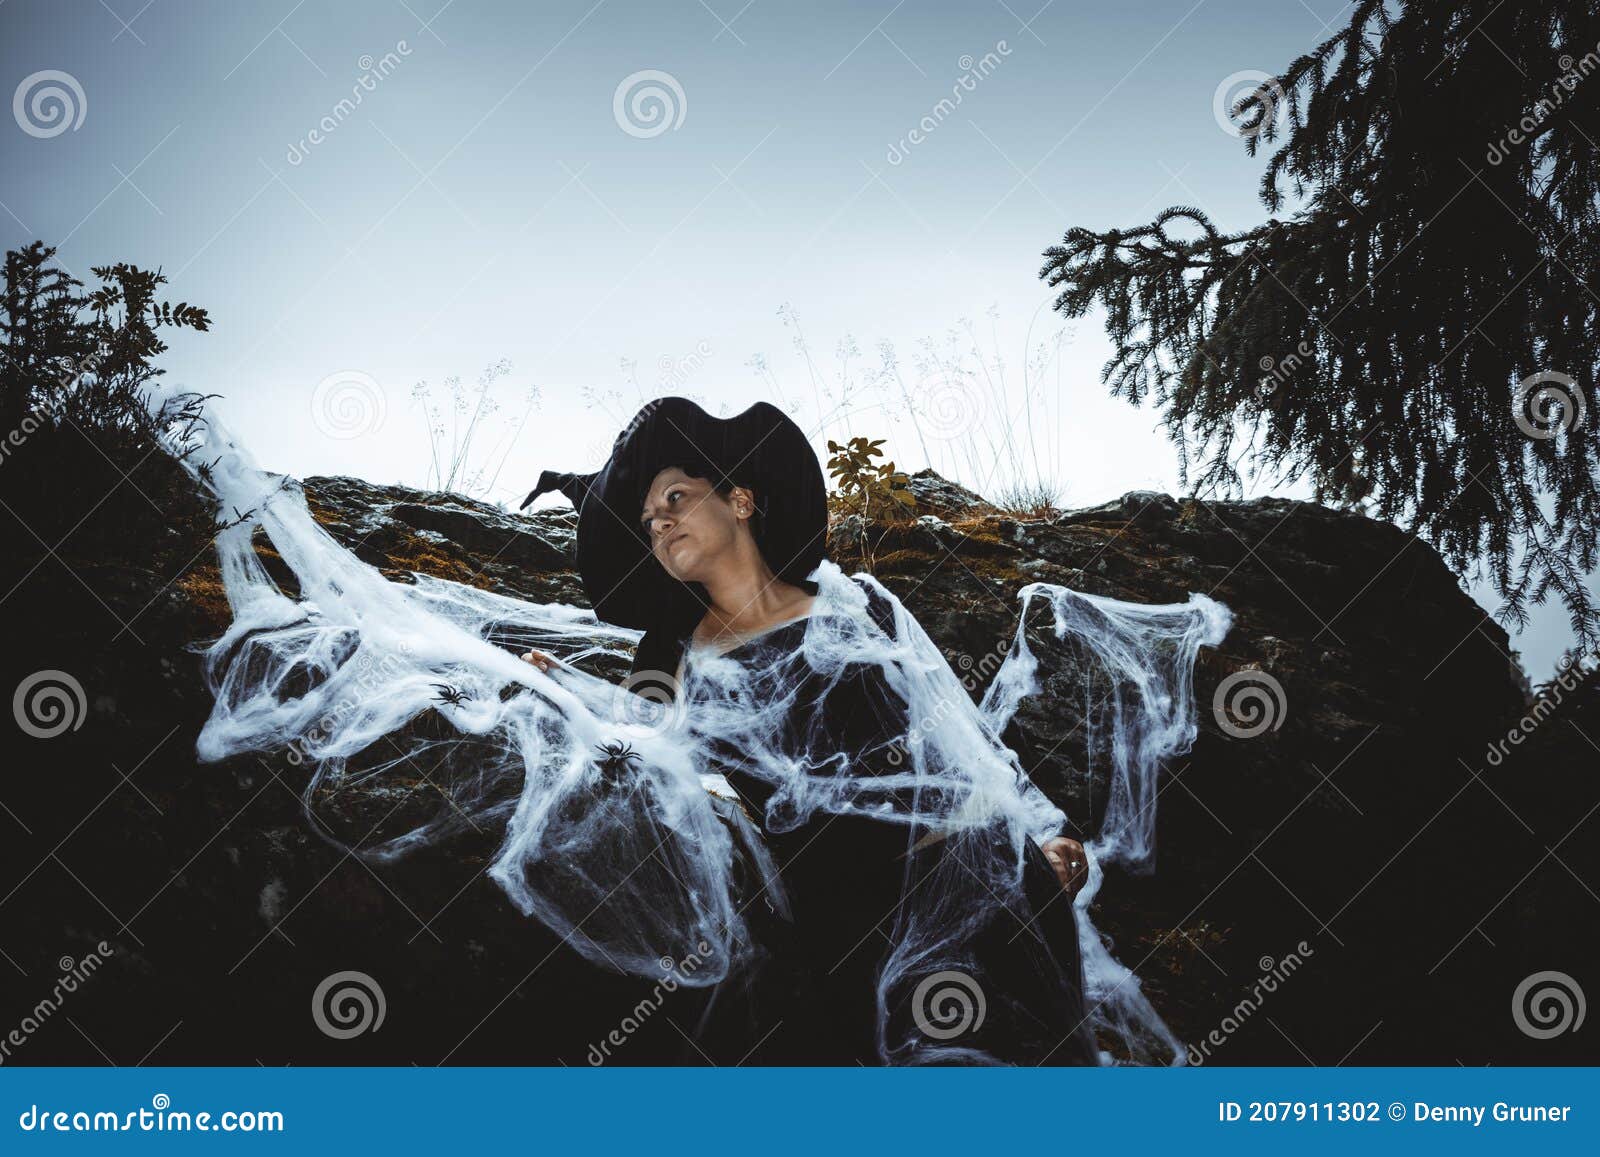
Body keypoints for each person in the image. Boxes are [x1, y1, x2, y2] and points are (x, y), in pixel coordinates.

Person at [520, 398, 1101, 1065]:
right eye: (651, 522)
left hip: (990, 880)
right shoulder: (675, 658)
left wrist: (1045, 824)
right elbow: (661, 759)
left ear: (738, 500)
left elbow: (961, 727)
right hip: (860, 926)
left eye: (676, 497)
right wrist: (568, 690)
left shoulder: (860, 600)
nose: (663, 523)